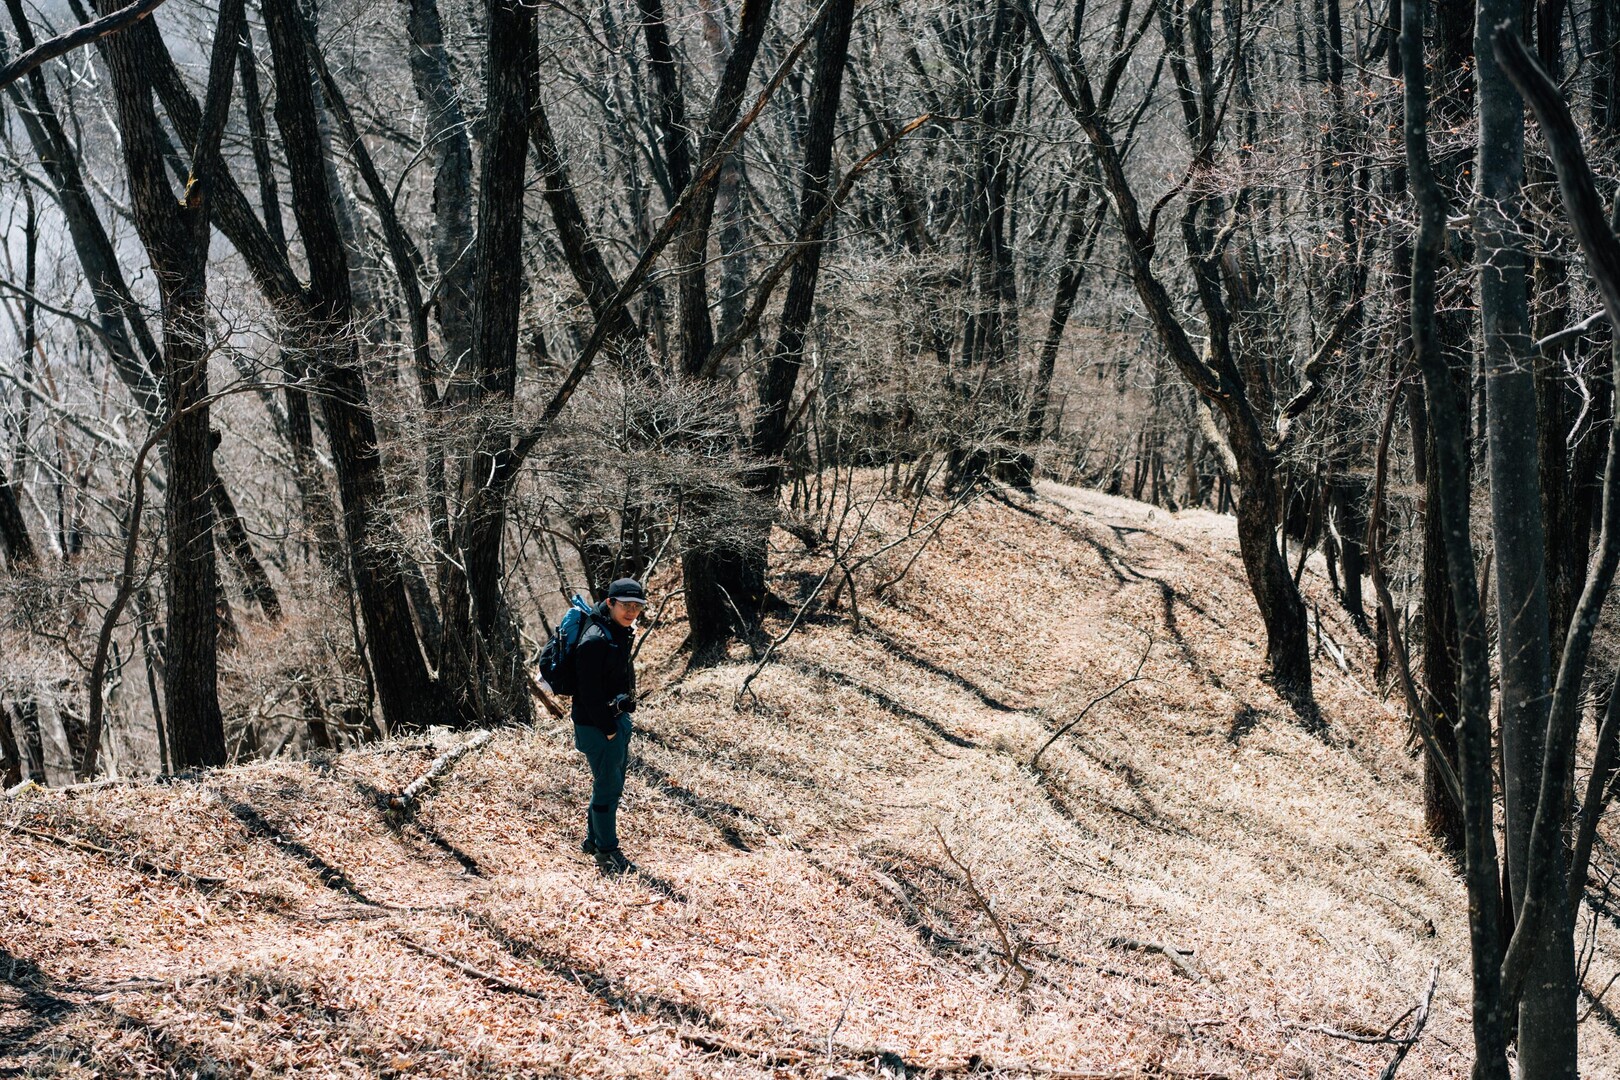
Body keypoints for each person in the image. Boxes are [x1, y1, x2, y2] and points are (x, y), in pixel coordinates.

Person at [573, 577, 646, 874]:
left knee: (609, 784)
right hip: (597, 725)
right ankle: (607, 850)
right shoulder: (595, 639)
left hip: (612, 720)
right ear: (610, 602)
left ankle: (593, 841)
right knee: (608, 787)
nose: (631, 611)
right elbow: (587, 692)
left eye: (637, 607)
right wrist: (609, 728)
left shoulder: (615, 631)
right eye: (626, 605)